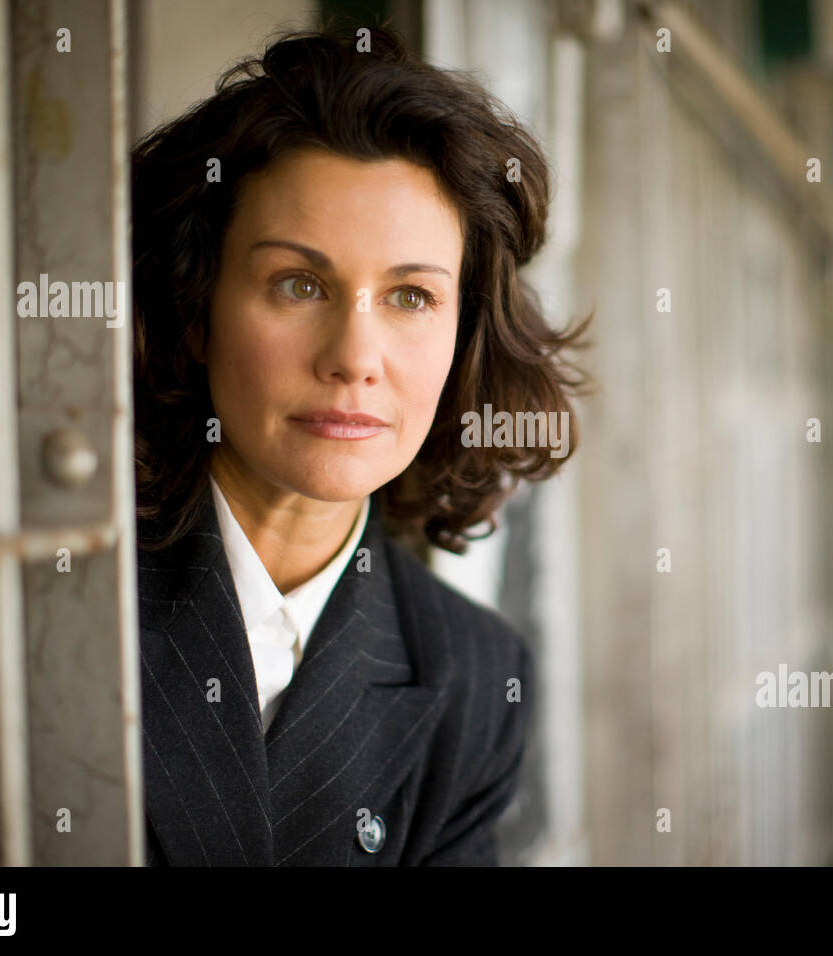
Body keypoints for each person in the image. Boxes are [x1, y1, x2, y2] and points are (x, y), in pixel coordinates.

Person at [130, 24, 588, 865]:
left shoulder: (474, 680)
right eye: (299, 285)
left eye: (412, 296)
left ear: (464, 338)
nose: (353, 359)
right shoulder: (55, 597)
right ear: (197, 310)